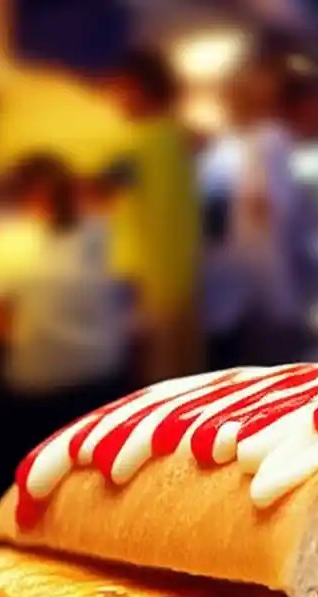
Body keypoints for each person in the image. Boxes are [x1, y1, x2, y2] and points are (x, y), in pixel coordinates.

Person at [0, 154, 130, 495]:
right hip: (105, 383)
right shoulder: (102, 232)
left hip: (38, 393)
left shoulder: (8, 240)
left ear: (21, 195)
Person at [203, 54, 305, 369]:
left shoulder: (269, 140)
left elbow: (269, 205)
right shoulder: (229, 143)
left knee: (268, 355)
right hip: (231, 272)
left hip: (258, 271)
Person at [108, 49, 202, 381]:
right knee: (183, 375)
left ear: (140, 89)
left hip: (151, 284)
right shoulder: (176, 137)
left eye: (120, 88)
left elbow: (147, 217)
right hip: (181, 278)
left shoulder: (138, 143)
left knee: (157, 380)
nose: (115, 98)